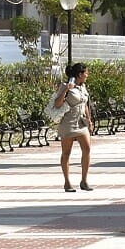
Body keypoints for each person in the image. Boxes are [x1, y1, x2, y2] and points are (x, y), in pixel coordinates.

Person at [50, 62, 95, 193]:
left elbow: (85, 104)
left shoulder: (83, 87)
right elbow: (57, 104)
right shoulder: (66, 86)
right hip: (68, 123)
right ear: (79, 74)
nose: (87, 75)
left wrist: (89, 120)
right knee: (66, 153)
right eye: (86, 73)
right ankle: (67, 182)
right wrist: (66, 89)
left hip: (81, 123)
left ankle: (84, 181)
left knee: (87, 149)